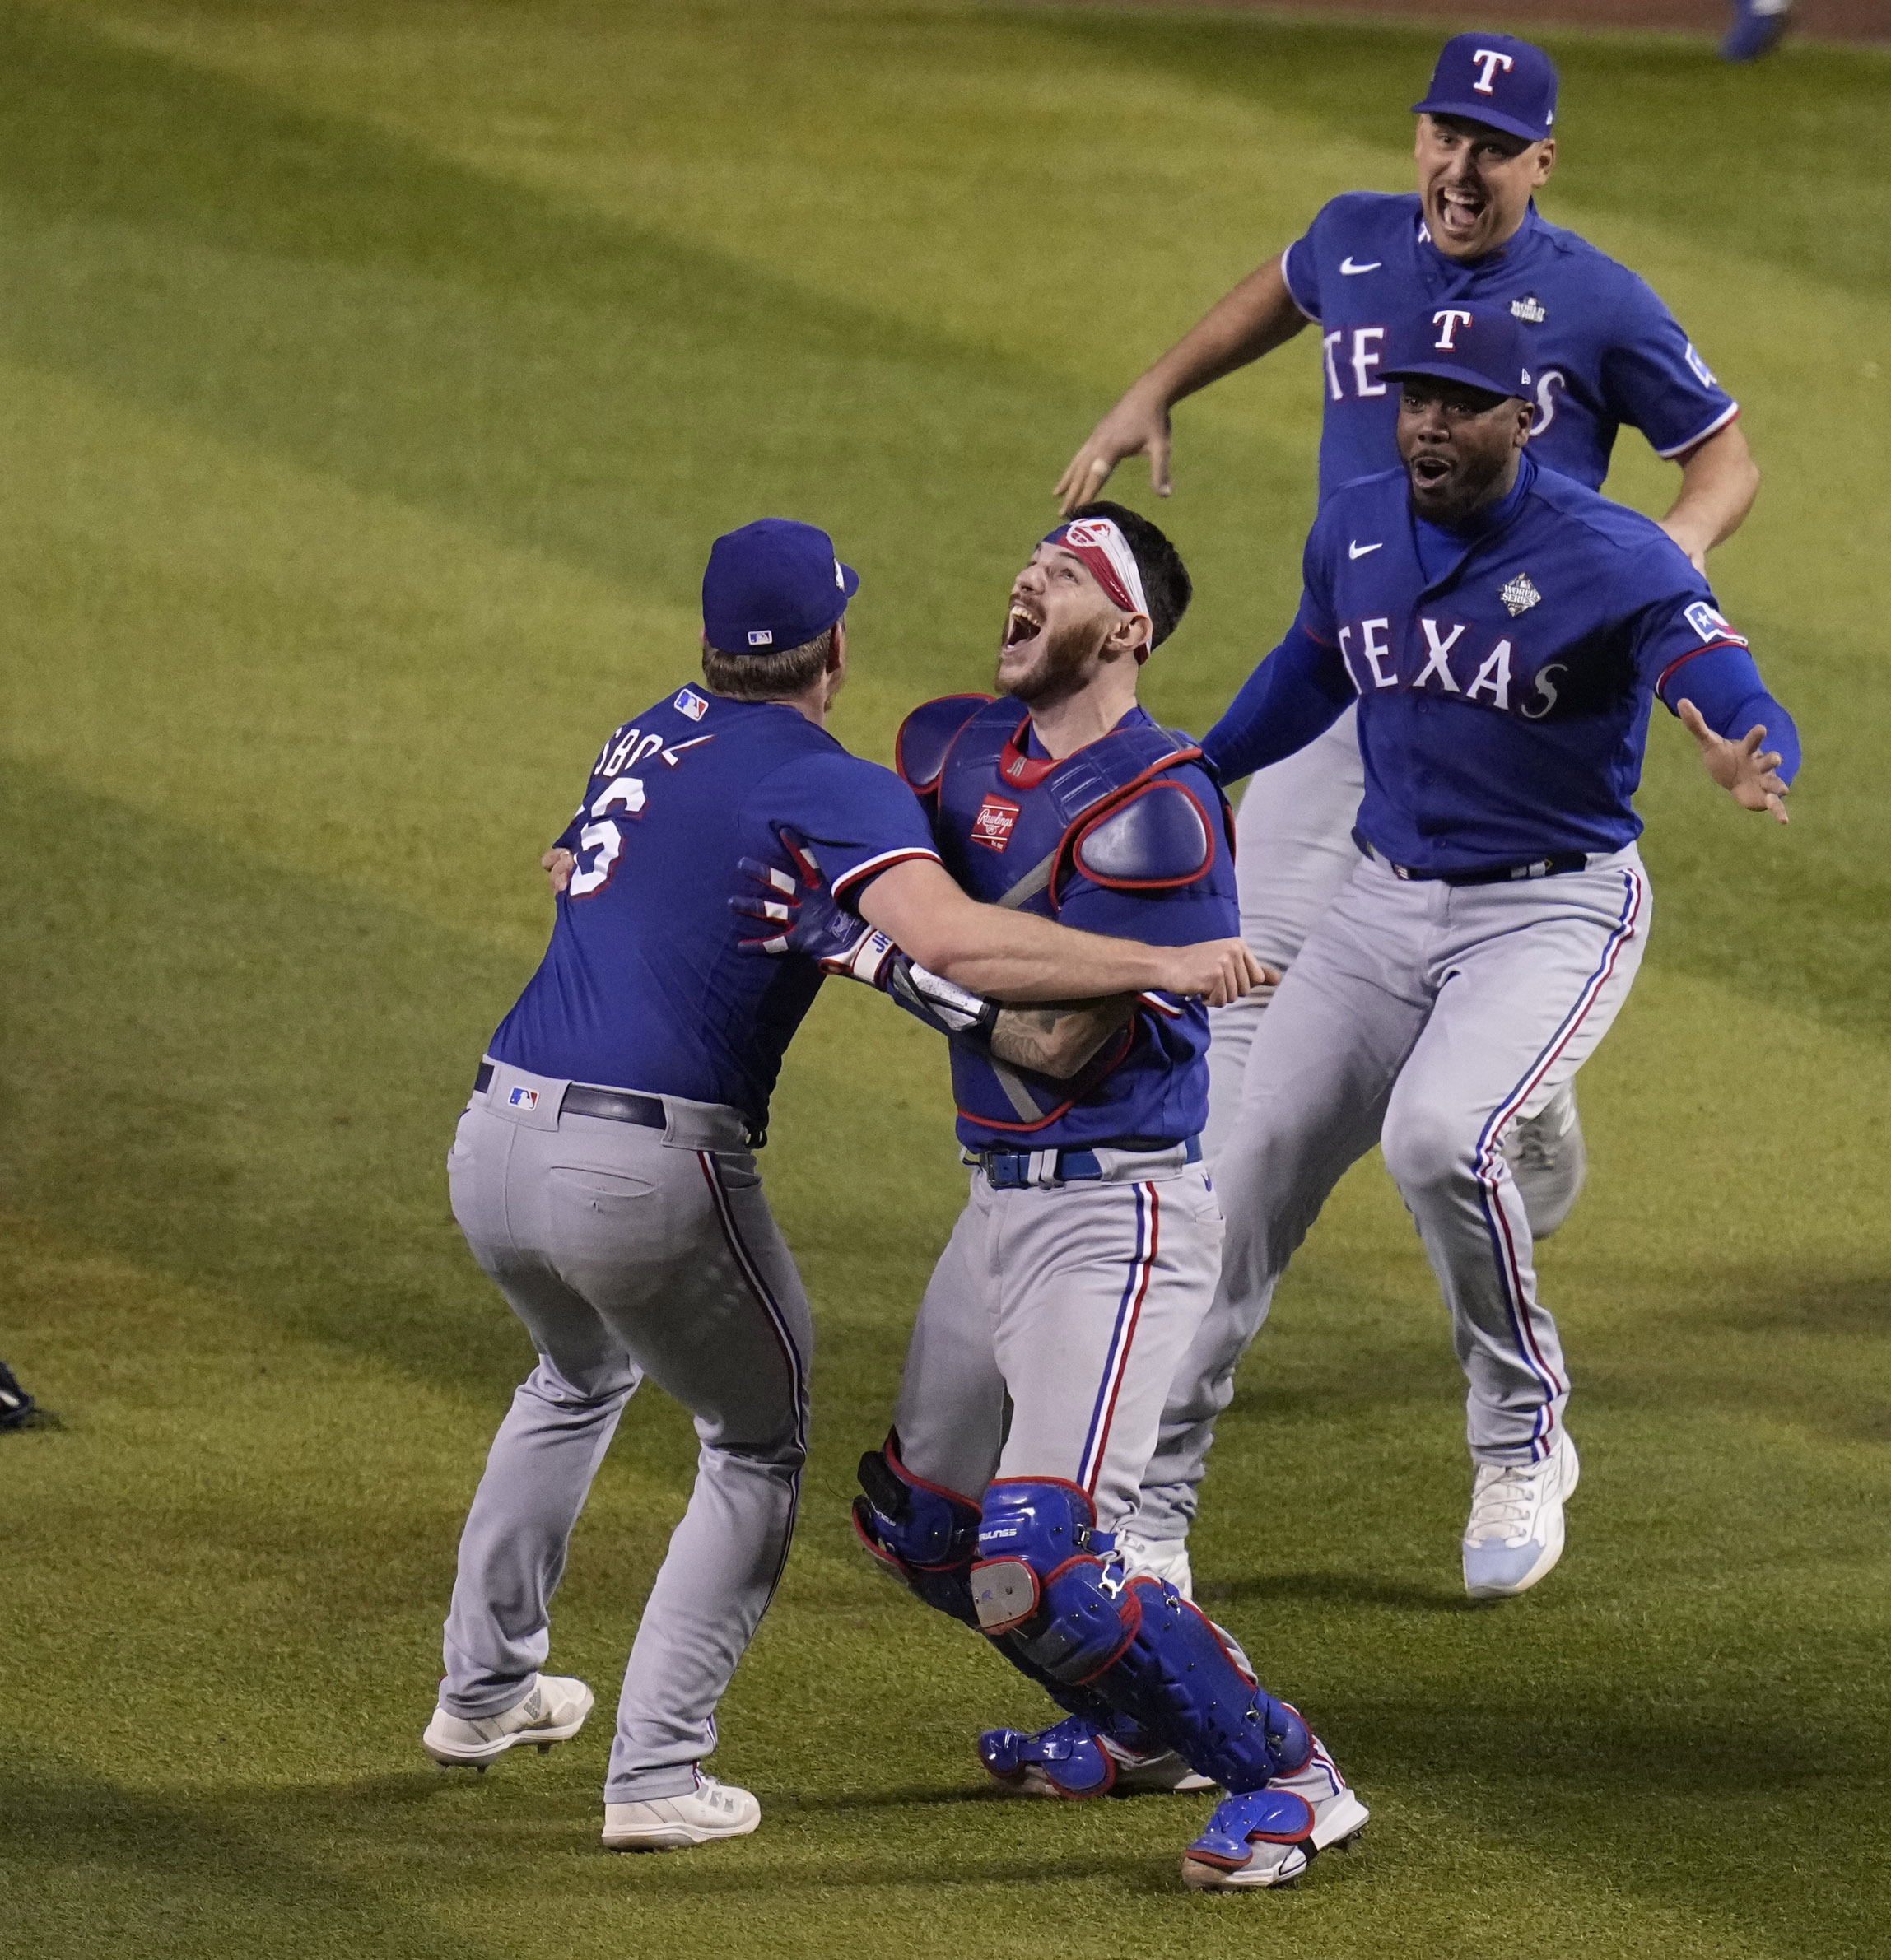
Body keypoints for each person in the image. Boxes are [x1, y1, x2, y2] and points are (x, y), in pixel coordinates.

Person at [424, 519, 1267, 1853]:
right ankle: (653, 1772)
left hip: (493, 1133)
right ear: (837, 646)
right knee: (756, 1444)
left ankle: (483, 1694)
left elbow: (569, 861)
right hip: (644, 1156)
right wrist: (1163, 964)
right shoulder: (835, 780)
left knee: (573, 1379)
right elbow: (948, 936)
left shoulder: (644, 736)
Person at [1123, 304, 1797, 1602]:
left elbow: (1711, 663)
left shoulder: (1614, 551)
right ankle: (1152, 1508)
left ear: (1524, 417)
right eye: (1414, 395)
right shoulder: (1359, 525)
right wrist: (1203, 764)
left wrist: (1739, 738)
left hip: (1551, 911)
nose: (1427, 419)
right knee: (1244, 1168)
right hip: (1379, 903)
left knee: (1439, 1139)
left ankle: (1521, 1435)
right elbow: (1312, 670)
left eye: (1458, 400)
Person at [1053, 31, 1761, 1232]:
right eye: (1446, 137)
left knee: (1465, 945)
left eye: (1496, 150)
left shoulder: (1594, 298)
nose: (1464, 171)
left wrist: (1661, 569)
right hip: (1356, 662)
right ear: (1418, 137)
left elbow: (1725, 460)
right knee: (1248, 971)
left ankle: (1520, 1089)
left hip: (1501, 691)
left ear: (1544, 163)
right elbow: (1286, 286)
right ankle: (1194, 1261)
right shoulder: (1357, 236)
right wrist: (1155, 388)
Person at [755, 505, 1366, 1889]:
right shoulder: (949, 744)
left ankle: (1289, 1773)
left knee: (1043, 1551)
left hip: (1118, 1222)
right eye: (1033, 557)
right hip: (999, 1207)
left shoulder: (1157, 807)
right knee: (925, 1527)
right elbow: (821, 828)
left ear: (1129, 630)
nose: (1030, 574)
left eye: (1073, 572)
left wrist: (874, 954)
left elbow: (1052, 1043)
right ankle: (1140, 1729)